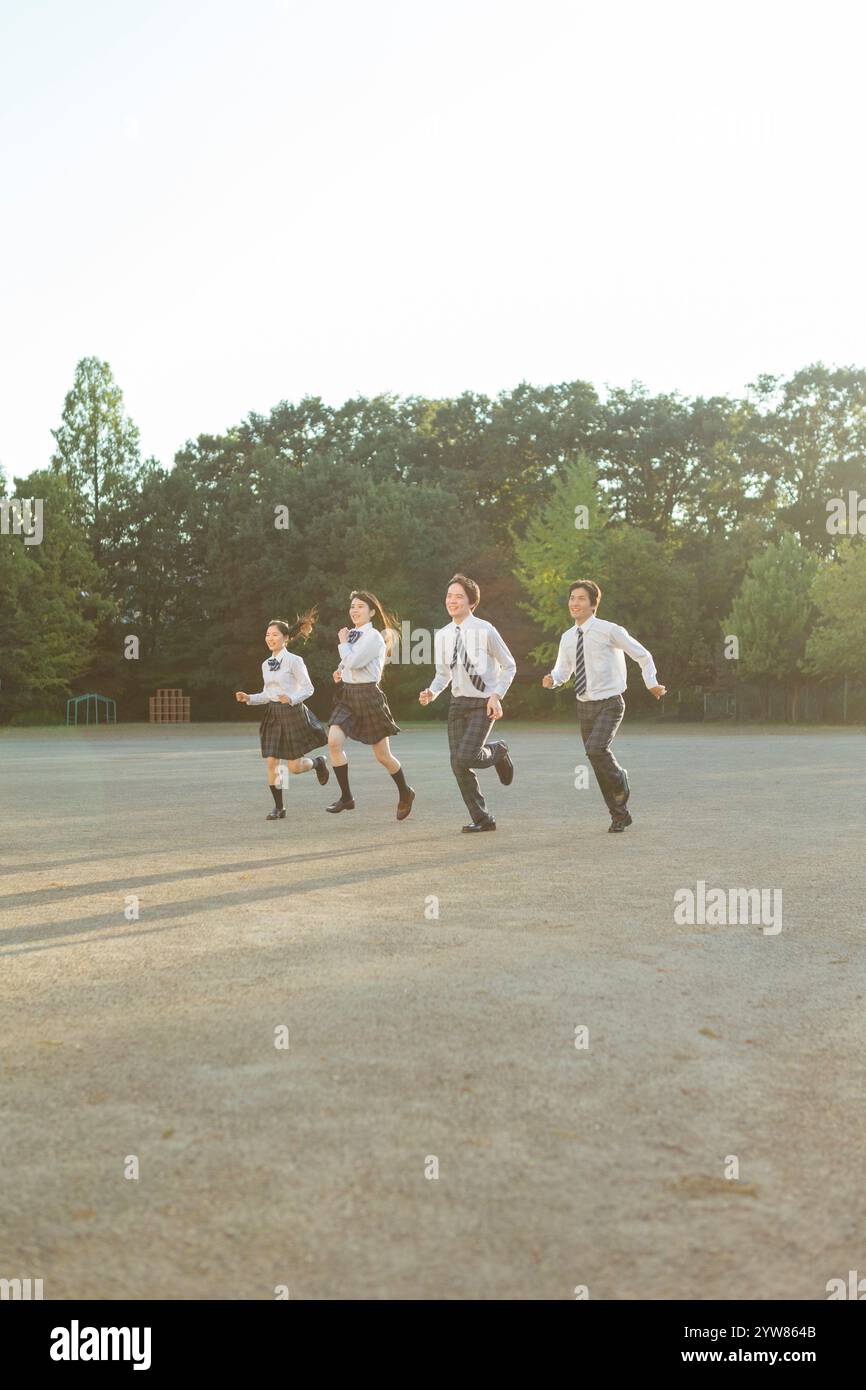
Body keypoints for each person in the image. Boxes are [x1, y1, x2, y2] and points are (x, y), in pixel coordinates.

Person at [542, 579, 666, 832]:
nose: (574, 603)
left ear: (593, 604)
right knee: (595, 759)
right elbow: (563, 671)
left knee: (596, 749)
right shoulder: (567, 638)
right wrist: (553, 679)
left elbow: (642, 654)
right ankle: (619, 815)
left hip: (610, 703)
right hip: (584, 705)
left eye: (581, 599)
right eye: (572, 598)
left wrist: (651, 682)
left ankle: (620, 777)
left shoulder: (609, 630)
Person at [419, 574, 516, 833]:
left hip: (484, 702)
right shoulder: (443, 635)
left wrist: (497, 695)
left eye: (458, 596)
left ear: (471, 602)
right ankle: (483, 819)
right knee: (457, 763)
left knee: (467, 756)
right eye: (449, 596)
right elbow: (443, 674)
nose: (452, 600)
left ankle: (499, 751)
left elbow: (509, 665)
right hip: (457, 703)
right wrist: (432, 691)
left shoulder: (485, 630)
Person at [326, 590, 415, 820]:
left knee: (383, 756)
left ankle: (405, 792)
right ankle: (347, 797)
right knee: (333, 741)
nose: (354, 610)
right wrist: (339, 671)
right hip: (348, 696)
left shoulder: (373, 636)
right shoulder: (353, 635)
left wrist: (343, 643)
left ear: (372, 611)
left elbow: (354, 660)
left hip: (368, 697)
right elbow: (348, 663)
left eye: (360, 607)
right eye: (352, 606)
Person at [234, 614, 329, 820]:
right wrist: (249, 697)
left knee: (295, 767)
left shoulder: (295, 661)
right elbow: (268, 695)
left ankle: (318, 763)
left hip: (293, 714)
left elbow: (308, 688)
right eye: (267, 635)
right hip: (273, 715)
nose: (270, 638)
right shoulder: (265, 664)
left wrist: (292, 698)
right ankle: (279, 807)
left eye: (275, 634)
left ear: (285, 638)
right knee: (272, 763)